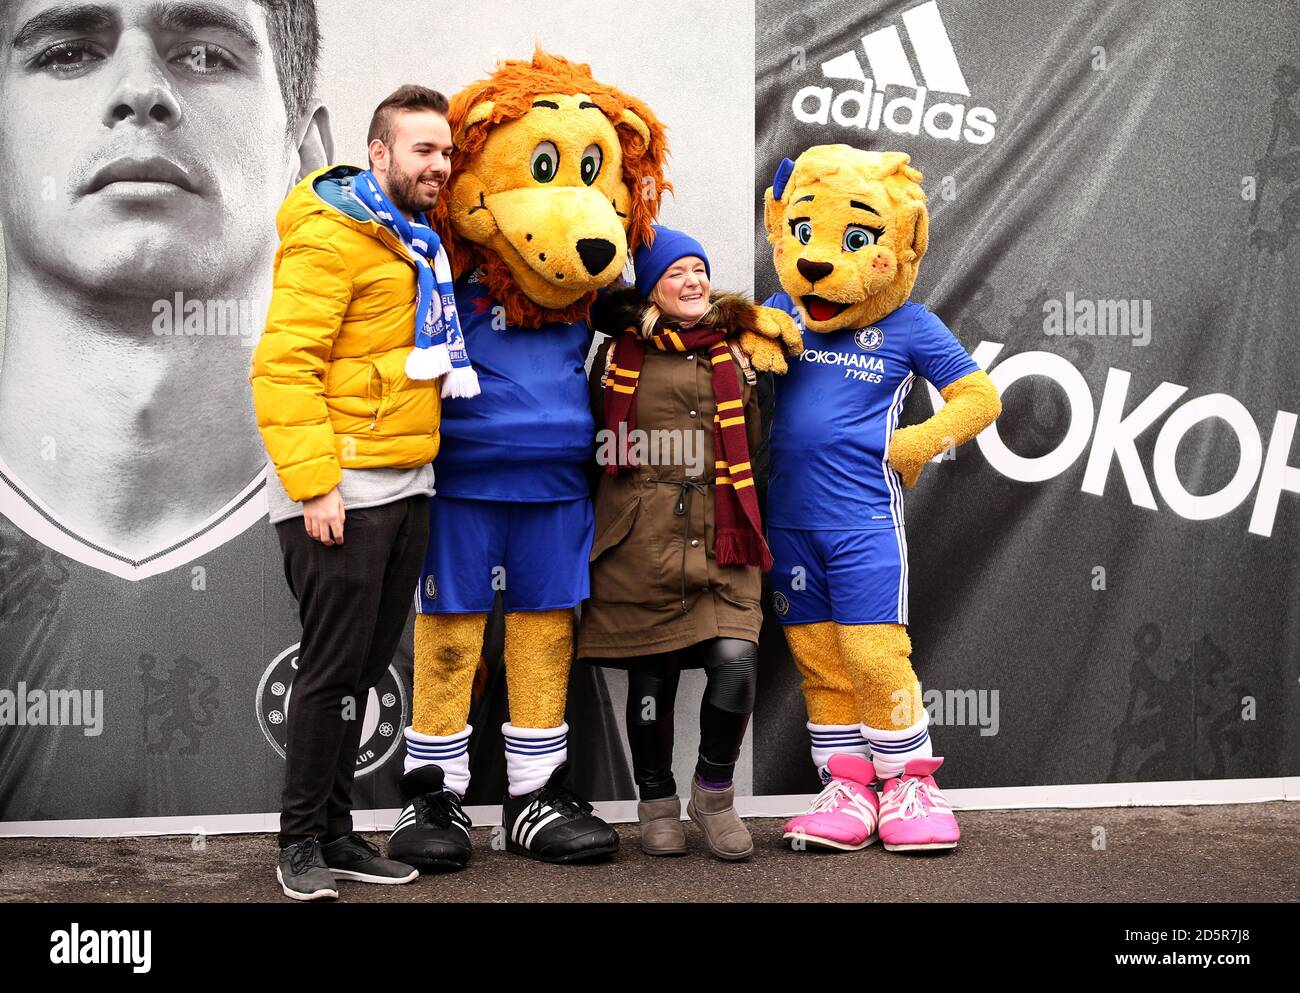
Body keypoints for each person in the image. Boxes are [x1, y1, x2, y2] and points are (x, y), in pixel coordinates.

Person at [0, 0, 337, 826]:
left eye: (207, 53)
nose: (141, 90)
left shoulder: (442, 544)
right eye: (71, 51)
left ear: (311, 158)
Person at [250, 84, 456, 900]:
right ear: (378, 153)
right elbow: (283, 367)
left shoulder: (408, 238)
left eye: (445, 152)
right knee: (332, 670)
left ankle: (337, 833)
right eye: (422, 150)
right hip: (339, 488)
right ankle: (298, 842)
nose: (439, 165)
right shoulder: (329, 238)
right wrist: (315, 486)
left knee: (365, 671)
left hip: (407, 482)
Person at [580, 226, 781, 860]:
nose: (693, 282)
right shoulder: (614, 355)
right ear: (651, 287)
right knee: (653, 679)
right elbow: (596, 445)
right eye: (676, 273)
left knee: (735, 668)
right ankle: (656, 801)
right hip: (642, 541)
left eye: (700, 269)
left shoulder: (742, 349)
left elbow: (758, 445)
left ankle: (713, 795)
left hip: (724, 537)